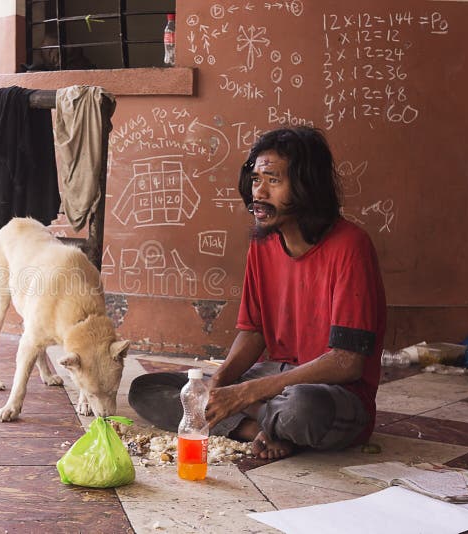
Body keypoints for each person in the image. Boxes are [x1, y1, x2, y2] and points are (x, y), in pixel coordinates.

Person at [128, 126, 386, 460]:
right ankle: (260, 430)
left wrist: (246, 394)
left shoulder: (351, 246)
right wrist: (218, 385)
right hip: (273, 378)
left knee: (302, 408)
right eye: (255, 180)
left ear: (307, 186)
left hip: (332, 392)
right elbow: (254, 333)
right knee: (149, 390)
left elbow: (346, 363)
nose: (258, 193)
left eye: (273, 180)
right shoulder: (263, 244)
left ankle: (269, 420)